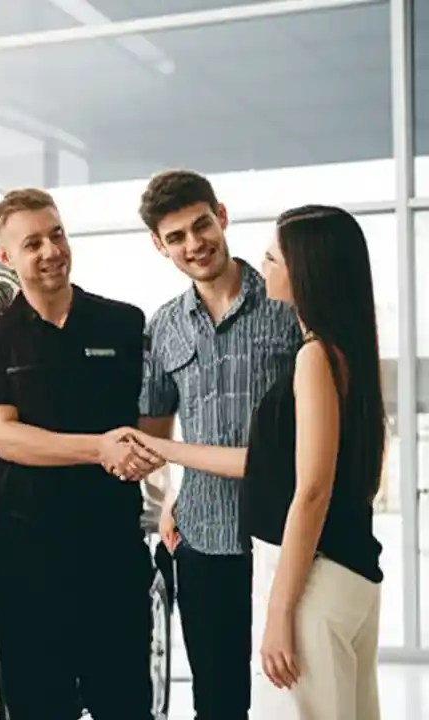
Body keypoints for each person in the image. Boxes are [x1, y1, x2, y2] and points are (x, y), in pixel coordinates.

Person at [128, 205, 384, 720]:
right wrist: (175, 477)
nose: (262, 265)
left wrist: (278, 611)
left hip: (313, 577)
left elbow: (309, 490)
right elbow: (288, 466)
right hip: (345, 572)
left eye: (272, 257)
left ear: (305, 271)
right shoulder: (345, 350)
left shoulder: (312, 355)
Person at [0, 187, 163, 720]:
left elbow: (153, 420)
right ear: (7, 257)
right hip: (26, 557)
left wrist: (157, 471)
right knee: (40, 707)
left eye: (56, 235)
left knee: (124, 704)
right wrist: (100, 447)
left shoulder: (122, 324)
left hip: (112, 551)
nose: (51, 250)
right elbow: (7, 437)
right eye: (33, 243)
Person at [135, 170, 302, 720]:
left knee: (299, 688)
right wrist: (165, 505)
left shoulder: (287, 307)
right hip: (203, 538)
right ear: (160, 247)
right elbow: (155, 437)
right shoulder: (162, 329)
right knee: (218, 699)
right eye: (176, 236)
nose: (194, 244)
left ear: (221, 216)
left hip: (287, 533)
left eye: (200, 225)